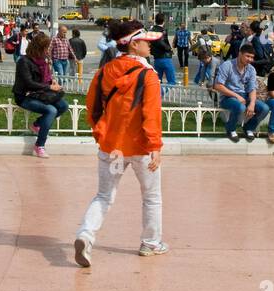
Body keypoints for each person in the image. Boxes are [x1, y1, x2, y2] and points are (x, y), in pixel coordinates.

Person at [74, 19, 167, 266]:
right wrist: (155, 147)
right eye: (146, 41)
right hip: (141, 148)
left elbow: (92, 106)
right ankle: (150, 243)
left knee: (104, 196)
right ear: (134, 45)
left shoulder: (105, 71)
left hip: (112, 146)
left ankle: (85, 234)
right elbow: (151, 114)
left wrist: (100, 132)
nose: (150, 46)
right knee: (151, 196)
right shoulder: (148, 75)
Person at [14, 32, 71, 158]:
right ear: (38, 48)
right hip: (26, 95)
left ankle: (37, 124)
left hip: (41, 93)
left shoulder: (44, 59)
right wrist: (50, 86)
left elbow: (46, 76)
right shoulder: (24, 61)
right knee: (50, 110)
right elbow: (29, 82)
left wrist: (52, 81)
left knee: (63, 106)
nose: (47, 50)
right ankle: (40, 145)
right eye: (45, 47)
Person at [212, 43, 259, 142]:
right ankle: (231, 129)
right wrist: (236, 96)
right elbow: (218, 85)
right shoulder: (227, 65)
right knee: (240, 107)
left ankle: (248, 128)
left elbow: (252, 88)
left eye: (252, 57)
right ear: (240, 54)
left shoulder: (251, 69)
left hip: (245, 96)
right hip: (228, 97)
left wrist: (252, 103)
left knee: (264, 108)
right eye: (247, 56)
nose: (249, 59)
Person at [149, 14, 177, 85]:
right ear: (164, 21)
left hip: (156, 58)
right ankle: (161, 93)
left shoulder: (151, 30)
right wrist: (169, 49)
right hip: (165, 57)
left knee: (157, 81)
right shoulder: (162, 31)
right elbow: (161, 43)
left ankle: (157, 94)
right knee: (172, 81)